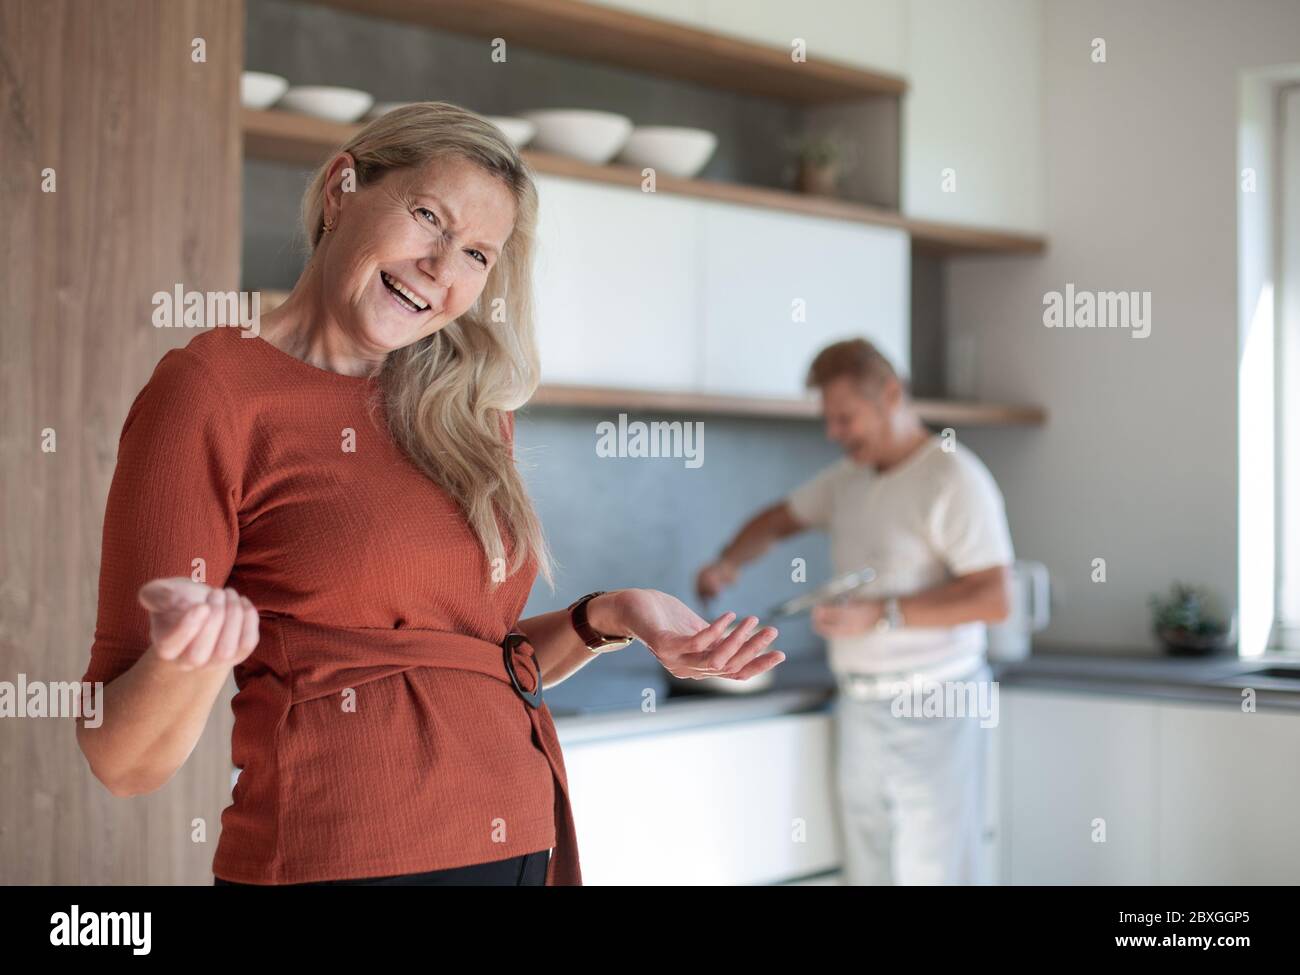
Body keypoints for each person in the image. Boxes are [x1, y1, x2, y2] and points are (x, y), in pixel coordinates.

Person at [75, 102, 784, 887]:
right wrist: (191, 656)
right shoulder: (213, 391)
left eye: (478, 254)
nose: (442, 269)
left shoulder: (468, 414)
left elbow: (468, 662)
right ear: (343, 187)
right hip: (338, 862)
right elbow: (121, 760)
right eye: (427, 218)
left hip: (519, 842)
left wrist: (607, 616)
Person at [695, 338, 1012, 884]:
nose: (834, 433)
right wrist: (728, 562)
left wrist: (882, 614)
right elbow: (777, 520)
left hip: (938, 702)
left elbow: (996, 598)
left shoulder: (953, 477)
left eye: (845, 418)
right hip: (861, 707)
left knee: (935, 871)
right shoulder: (848, 480)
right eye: (829, 418)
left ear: (891, 394)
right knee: (869, 872)